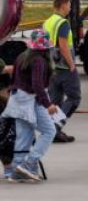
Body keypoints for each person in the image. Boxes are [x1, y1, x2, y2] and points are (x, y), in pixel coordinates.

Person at [1, 30, 58, 182]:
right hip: (30, 100)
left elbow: (13, 79)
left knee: (24, 136)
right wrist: (48, 105)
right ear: (46, 47)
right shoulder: (39, 61)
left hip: (17, 99)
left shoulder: (21, 57)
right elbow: (37, 85)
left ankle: (16, 170)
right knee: (49, 131)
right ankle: (29, 164)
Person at [44, 0, 79, 143]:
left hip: (52, 67)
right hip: (64, 67)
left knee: (55, 101)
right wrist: (72, 64)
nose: (70, 8)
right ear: (63, 5)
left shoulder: (47, 22)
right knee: (74, 98)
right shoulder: (63, 23)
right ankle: (56, 127)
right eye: (69, 5)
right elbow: (63, 45)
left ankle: (54, 131)